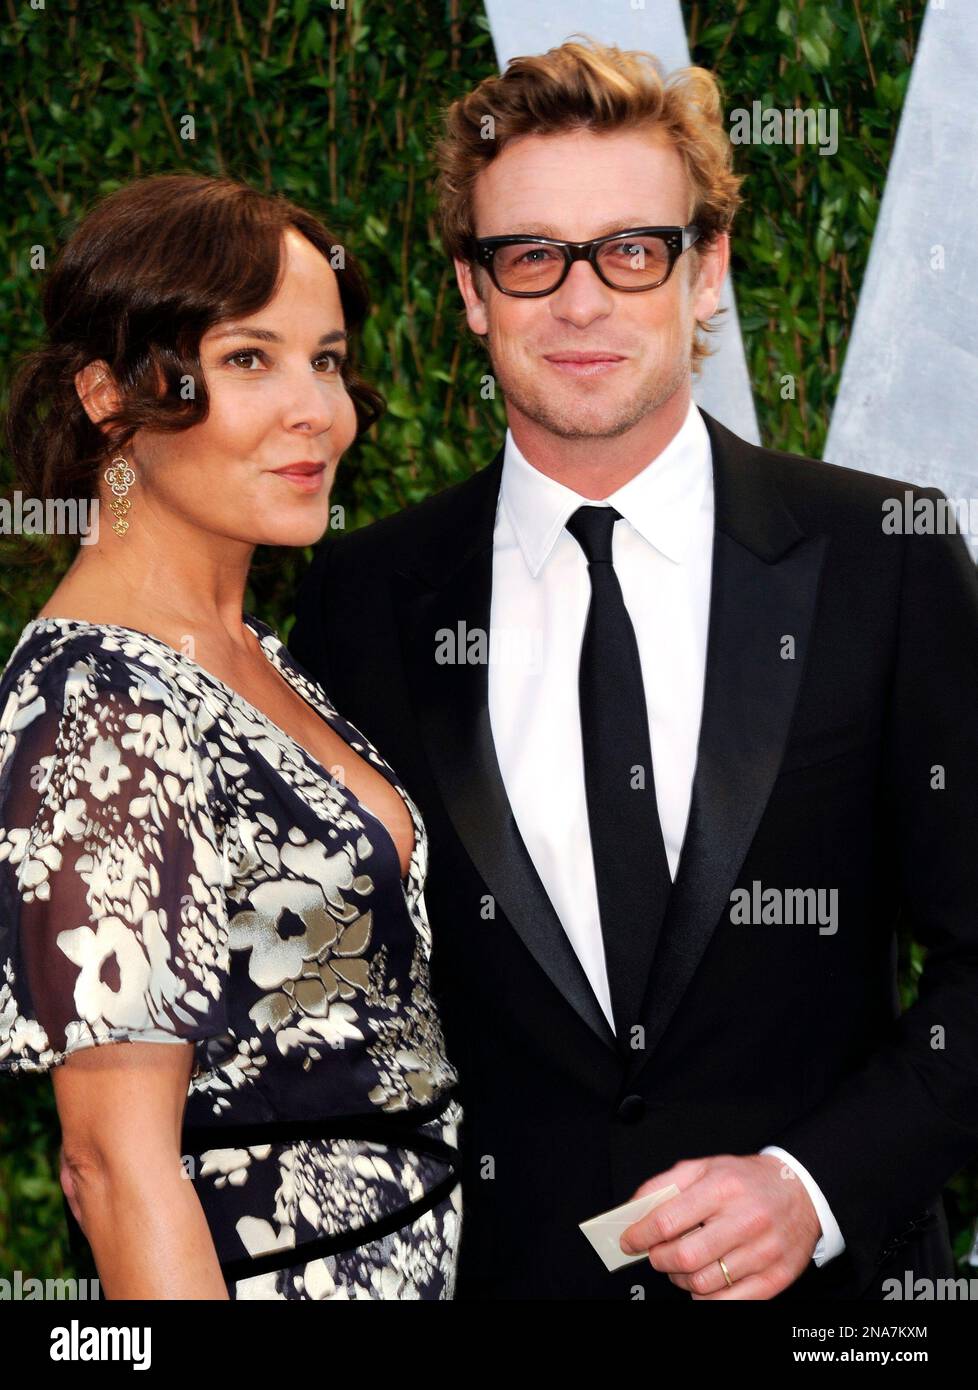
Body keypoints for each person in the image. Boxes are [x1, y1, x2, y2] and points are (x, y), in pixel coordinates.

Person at [288, 38, 978, 1299]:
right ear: (472, 290)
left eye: (633, 250)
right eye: (532, 255)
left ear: (706, 271)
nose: (583, 300)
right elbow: (329, 1006)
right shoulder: (365, 598)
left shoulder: (886, 555)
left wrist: (816, 1187)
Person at [0, 173, 462, 1300]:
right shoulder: (94, 700)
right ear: (111, 395)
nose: (320, 409)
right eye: (249, 359)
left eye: (329, 359)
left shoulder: (254, 655)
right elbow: (112, 1162)